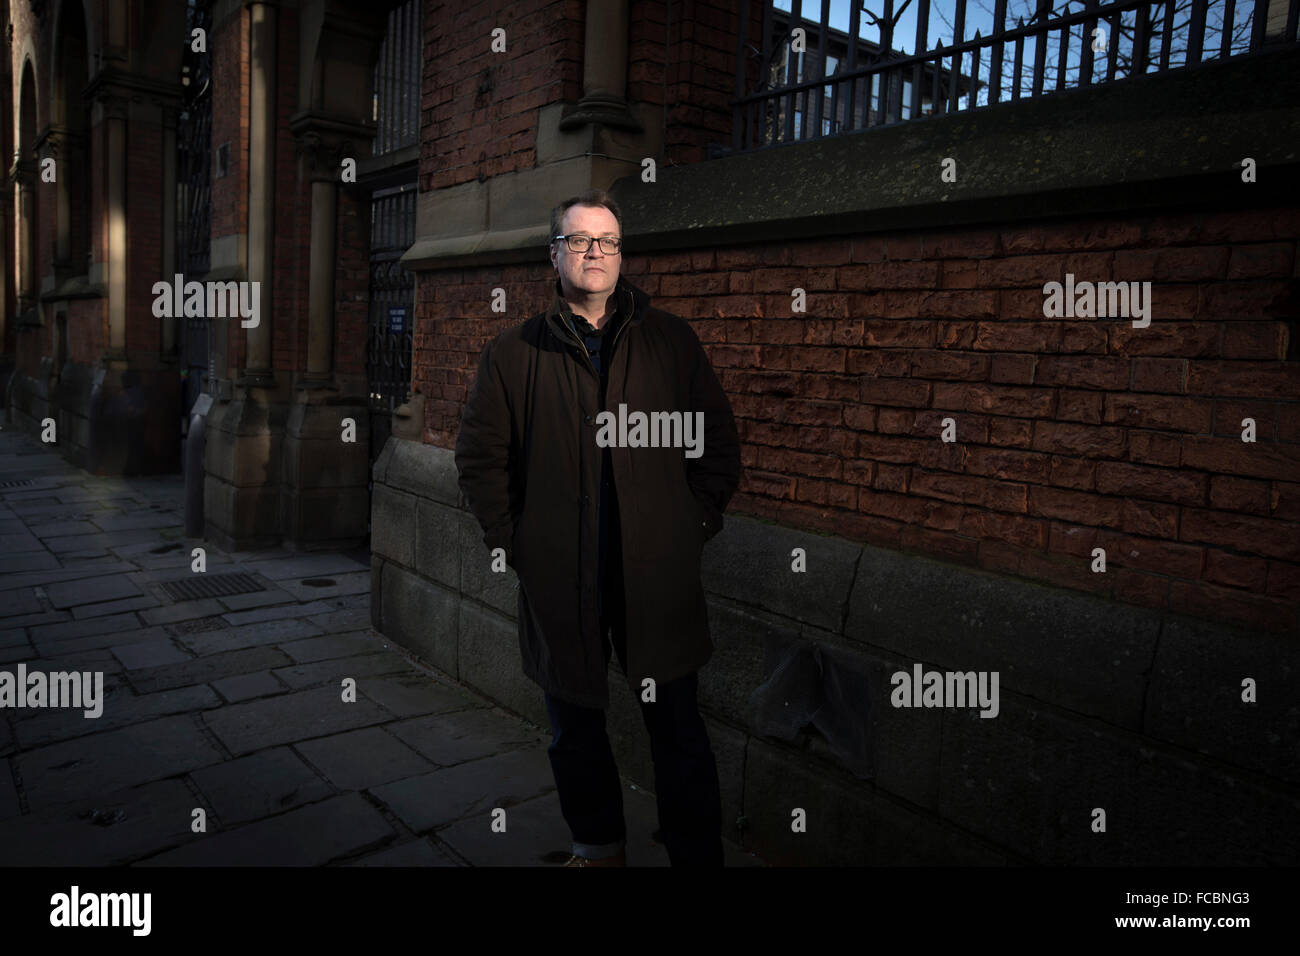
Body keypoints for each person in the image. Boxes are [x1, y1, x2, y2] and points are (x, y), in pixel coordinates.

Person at [454, 188, 741, 867]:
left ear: (621, 255)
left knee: (677, 726)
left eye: (606, 241)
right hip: (561, 572)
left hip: (656, 575)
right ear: (555, 255)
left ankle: (695, 854)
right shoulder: (515, 352)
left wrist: (691, 523)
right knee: (574, 725)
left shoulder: (669, 339)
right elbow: (480, 457)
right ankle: (597, 845)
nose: (594, 252)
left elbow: (715, 440)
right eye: (579, 240)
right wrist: (516, 542)